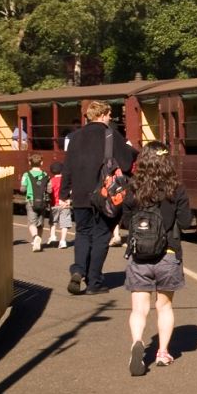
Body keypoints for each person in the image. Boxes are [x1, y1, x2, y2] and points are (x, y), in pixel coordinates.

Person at [121, 145, 191, 376]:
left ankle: (137, 342)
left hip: (139, 256)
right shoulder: (175, 188)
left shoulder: (134, 187)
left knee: (139, 308)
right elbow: (186, 221)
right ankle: (162, 352)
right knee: (164, 306)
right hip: (168, 254)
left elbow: (125, 221)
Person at [60, 99, 136, 295]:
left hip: (80, 195)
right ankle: (94, 282)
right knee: (101, 236)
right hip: (105, 195)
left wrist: (63, 193)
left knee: (83, 233)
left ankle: (78, 270)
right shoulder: (111, 134)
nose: (110, 118)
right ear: (102, 115)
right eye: (110, 115)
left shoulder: (75, 137)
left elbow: (67, 166)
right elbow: (126, 163)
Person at [22, 157, 54, 251]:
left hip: (31, 201)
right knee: (40, 224)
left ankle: (35, 237)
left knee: (32, 223)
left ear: (29, 162)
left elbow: (22, 189)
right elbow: (49, 189)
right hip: (42, 201)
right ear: (42, 163)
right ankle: (38, 242)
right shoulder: (45, 175)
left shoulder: (26, 175)